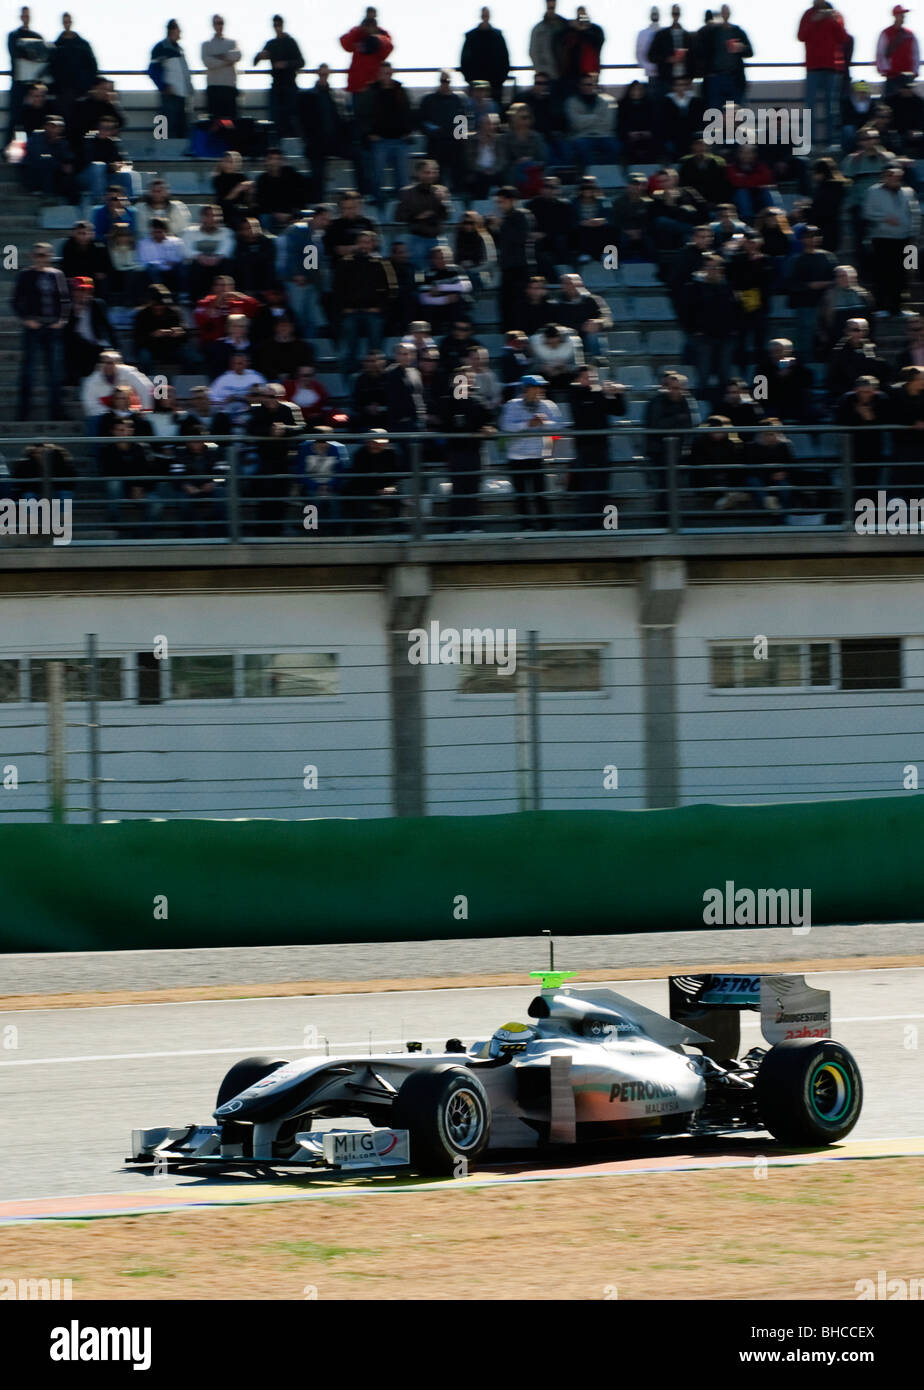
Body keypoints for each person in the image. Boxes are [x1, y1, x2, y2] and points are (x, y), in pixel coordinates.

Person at [12, 242, 69, 421]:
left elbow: (65, 300)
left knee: (54, 371)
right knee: (28, 371)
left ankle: (57, 412)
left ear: (50, 256)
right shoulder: (25, 275)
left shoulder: (57, 275)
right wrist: (26, 319)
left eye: (44, 255)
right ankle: (23, 412)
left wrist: (62, 320)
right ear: (32, 256)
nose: (40, 258)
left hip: (52, 328)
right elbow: (15, 300)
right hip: (33, 327)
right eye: (37, 255)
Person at [566, 364, 626, 527]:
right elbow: (584, 410)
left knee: (603, 488)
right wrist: (602, 392)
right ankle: (585, 526)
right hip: (585, 448)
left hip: (602, 447)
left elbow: (619, 411)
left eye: (593, 378)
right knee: (587, 489)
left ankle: (608, 525)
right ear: (577, 380)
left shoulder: (599, 393)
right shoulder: (575, 393)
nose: (591, 381)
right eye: (586, 378)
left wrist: (617, 394)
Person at [500, 374, 562, 528]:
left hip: (537, 456)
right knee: (521, 495)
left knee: (540, 493)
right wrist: (528, 423)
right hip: (516, 457)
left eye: (541, 387)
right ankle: (525, 526)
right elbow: (506, 426)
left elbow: (559, 425)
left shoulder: (548, 405)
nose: (540, 390)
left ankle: (547, 525)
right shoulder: (512, 405)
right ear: (526, 389)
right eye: (536, 387)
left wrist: (543, 423)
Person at [333, 228, 395, 375]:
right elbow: (337, 289)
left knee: (375, 351)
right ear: (356, 244)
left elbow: (391, 289)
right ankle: (350, 380)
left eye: (367, 242)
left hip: (373, 312)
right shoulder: (344, 263)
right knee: (349, 350)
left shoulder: (382, 263)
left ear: (373, 244)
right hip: (350, 312)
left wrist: (380, 307)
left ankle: (377, 378)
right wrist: (344, 308)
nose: (364, 245)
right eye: (361, 242)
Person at [864, 163, 921, 315]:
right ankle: (882, 307)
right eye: (888, 174)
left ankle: (899, 307)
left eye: (895, 174)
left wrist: (914, 234)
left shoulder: (908, 191)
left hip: (904, 239)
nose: (892, 178)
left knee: (903, 273)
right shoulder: (873, 191)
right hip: (882, 238)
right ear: (883, 176)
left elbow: (914, 214)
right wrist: (884, 218)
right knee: (883, 274)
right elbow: (868, 212)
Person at [797, 0, 847, 151]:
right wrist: (813, 21)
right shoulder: (807, 15)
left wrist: (833, 20)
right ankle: (809, 142)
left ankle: (832, 143)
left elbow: (843, 38)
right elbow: (800, 36)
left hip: (831, 68)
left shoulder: (834, 15)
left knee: (831, 107)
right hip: (812, 68)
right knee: (809, 107)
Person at [366, 62, 415, 211]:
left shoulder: (401, 91)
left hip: (400, 139)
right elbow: (364, 115)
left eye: (388, 72)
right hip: (379, 140)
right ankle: (379, 206)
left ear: (392, 72)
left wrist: (409, 131)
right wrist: (370, 133)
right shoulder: (371, 92)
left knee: (403, 178)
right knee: (377, 175)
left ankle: (402, 207)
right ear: (378, 74)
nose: (386, 76)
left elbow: (409, 112)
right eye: (383, 73)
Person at [299, 63, 347, 202]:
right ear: (318, 73)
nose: (324, 76)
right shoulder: (307, 95)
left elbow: (342, 118)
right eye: (322, 73)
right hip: (316, 143)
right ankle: (317, 202)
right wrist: (309, 140)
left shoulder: (336, 95)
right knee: (317, 171)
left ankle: (365, 194)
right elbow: (301, 121)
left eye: (326, 73)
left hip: (335, 142)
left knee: (360, 154)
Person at [490, 185, 536, 332]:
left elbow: (520, 238)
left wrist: (501, 225)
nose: (499, 205)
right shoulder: (506, 218)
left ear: (512, 201)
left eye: (502, 201)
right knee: (505, 305)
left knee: (519, 306)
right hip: (507, 268)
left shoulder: (522, 215)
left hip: (520, 268)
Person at [394, 158, 451, 269]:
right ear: (418, 173)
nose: (430, 176)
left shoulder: (441, 191)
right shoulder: (407, 192)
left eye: (433, 172)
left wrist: (442, 203)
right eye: (426, 172)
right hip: (416, 238)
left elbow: (446, 216)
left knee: (442, 269)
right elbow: (398, 216)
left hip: (437, 238)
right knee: (420, 270)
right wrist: (417, 217)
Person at [254, 15, 304, 138]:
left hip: (290, 86)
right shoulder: (271, 44)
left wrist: (286, 64)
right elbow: (254, 61)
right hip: (276, 87)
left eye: (279, 24)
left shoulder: (291, 42)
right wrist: (260, 56)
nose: (277, 27)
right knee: (276, 120)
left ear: (282, 25)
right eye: (275, 25)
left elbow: (301, 62)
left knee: (293, 119)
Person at [6, 6, 46, 149]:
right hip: (18, 82)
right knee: (14, 118)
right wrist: (33, 52)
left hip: (33, 85)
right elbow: (15, 53)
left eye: (28, 15)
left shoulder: (37, 36)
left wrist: (27, 50)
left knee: (33, 119)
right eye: (24, 15)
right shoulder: (13, 35)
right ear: (21, 17)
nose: (26, 17)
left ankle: (34, 149)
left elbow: (43, 57)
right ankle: (6, 150)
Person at [698, 4, 752, 108]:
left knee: (733, 114)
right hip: (716, 77)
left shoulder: (737, 31)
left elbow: (750, 52)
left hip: (734, 77)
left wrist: (741, 48)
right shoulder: (713, 32)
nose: (725, 14)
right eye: (723, 12)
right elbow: (702, 49)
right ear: (720, 14)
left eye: (727, 12)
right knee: (715, 113)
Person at [63, 273, 114, 381]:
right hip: (78, 347)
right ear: (73, 292)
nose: (83, 294)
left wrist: (115, 348)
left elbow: (108, 327)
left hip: (96, 344)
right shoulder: (68, 308)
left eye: (86, 290)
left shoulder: (97, 305)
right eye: (80, 290)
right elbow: (66, 334)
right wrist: (77, 315)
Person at [48, 12, 97, 122]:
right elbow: (50, 67)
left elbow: (92, 66)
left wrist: (87, 85)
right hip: (62, 91)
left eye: (68, 21)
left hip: (81, 90)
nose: (67, 24)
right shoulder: (56, 46)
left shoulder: (83, 45)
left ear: (71, 22)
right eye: (65, 22)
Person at [148, 20, 193, 140]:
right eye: (178, 29)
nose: (180, 32)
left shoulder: (179, 49)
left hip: (182, 95)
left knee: (181, 128)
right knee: (164, 126)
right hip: (170, 94)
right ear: (172, 30)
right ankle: (160, 150)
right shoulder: (161, 47)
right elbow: (152, 69)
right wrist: (163, 86)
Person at [565, 71, 618, 172]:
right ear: (580, 86)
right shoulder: (571, 102)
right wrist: (597, 117)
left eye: (593, 84)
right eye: (587, 85)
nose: (590, 87)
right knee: (582, 146)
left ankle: (609, 173)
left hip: (604, 135)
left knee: (614, 146)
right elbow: (576, 124)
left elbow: (609, 124)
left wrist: (585, 119)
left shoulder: (608, 101)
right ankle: (593, 175)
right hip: (581, 136)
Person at [460, 7, 511, 105]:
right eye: (483, 15)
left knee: (495, 113)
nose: (485, 17)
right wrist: (469, 79)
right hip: (476, 83)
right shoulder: (471, 36)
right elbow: (464, 59)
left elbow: (505, 58)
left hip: (495, 84)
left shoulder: (498, 36)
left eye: (486, 15)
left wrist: (501, 78)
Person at [133, 282, 188, 372]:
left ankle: (187, 381)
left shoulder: (173, 313)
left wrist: (180, 333)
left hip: (170, 347)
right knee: (145, 357)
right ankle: (148, 383)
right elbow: (137, 339)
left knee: (188, 355)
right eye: (156, 305)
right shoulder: (142, 315)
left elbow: (185, 333)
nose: (159, 307)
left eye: (162, 304)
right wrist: (153, 335)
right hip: (149, 348)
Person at [556, 7, 606, 95]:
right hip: (571, 75)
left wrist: (583, 29)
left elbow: (598, 41)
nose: (581, 19)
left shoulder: (595, 30)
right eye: (579, 16)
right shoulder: (569, 31)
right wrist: (571, 27)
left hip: (590, 74)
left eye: (583, 16)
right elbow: (559, 41)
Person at [340, 13, 393, 95]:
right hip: (357, 86)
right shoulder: (357, 36)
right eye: (367, 25)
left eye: (371, 25)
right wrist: (357, 30)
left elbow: (388, 47)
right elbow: (345, 44)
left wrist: (377, 38)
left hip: (374, 86)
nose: (369, 29)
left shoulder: (383, 38)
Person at [202, 14, 240, 122]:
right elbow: (208, 62)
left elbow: (237, 55)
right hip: (214, 89)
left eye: (221, 23)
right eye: (217, 23)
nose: (220, 26)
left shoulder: (232, 43)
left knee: (230, 124)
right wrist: (228, 60)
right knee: (215, 123)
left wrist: (218, 57)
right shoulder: (206, 45)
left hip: (229, 89)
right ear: (213, 25)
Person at [649, 4, 694, 95]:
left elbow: (694, 57)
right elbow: (651, 56)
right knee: (665, 107)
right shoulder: (661, 35)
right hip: (666, 79)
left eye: (677, 13)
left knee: (684, 107)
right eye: (674, 13)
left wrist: (690, 76)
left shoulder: (687, 36)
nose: (675, 15)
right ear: (671, 14)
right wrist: (667, 59)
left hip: (684, 80)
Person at [877, 5, 920, 96]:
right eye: (901, 14)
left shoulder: (910, 35)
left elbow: (916, 54)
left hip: (907, 77)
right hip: (892, 76)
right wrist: (886, 70)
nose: (903, 17)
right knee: (891, 104)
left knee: (907, 106)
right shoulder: (886, 33)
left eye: (903, 14)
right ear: (895, 16)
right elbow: (880, 54)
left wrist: (915, 72)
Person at [530, 1, 568, 84]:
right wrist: (542, 73)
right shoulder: (539, 30)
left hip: (567, 74)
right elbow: (534, 52)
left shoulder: (565, 26)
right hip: (548, 76)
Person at [637, 6, 662, 81]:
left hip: (664, 74)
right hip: (650, 74)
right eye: (653, 13)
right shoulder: (642, 34)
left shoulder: (664, 33)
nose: (655, 15)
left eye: (656, 13)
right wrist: (649, 67)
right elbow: (639, 54)